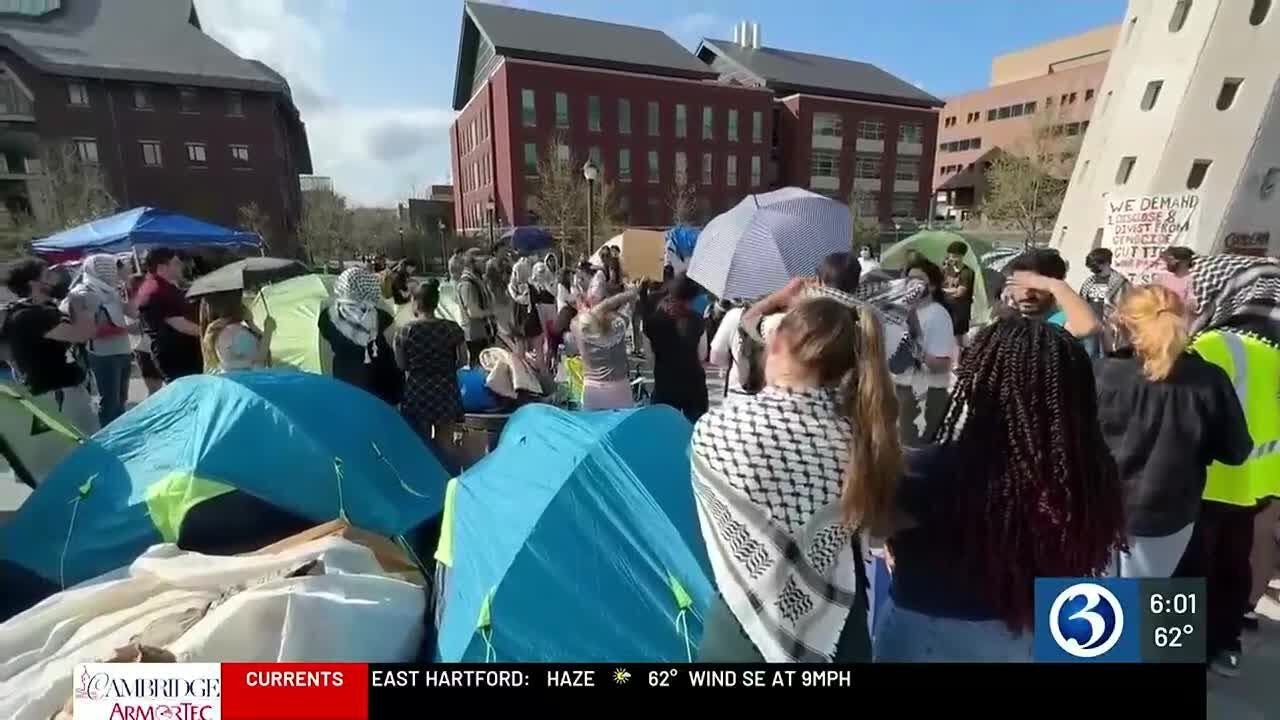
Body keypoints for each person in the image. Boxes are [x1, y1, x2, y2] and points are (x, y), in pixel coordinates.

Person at [875, 317, 1126, 662]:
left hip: (932, 633)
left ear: (979, 382)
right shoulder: (1088, 474)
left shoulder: (928, 470)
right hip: (1033, 633)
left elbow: (880, 533)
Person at [692, 292, 902, 661]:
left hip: (741, 631)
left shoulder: (717, 430)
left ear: (775, 342)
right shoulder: (863, 437)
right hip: (837, 631)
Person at [1095, 286, 1251, 579]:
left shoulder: (1100, 373)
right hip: (1167, 511)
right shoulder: (1208, 379)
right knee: (1146, 606)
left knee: (1081, 611)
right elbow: (1235, 451)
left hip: (1096, 509)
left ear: (1122, 322)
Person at [1183, 317, 1279, 676]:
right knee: (1235, 563)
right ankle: (1226, 644)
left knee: (1193, 569)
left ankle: (1185, 649)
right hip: (1257, 479)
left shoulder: (1206, 346)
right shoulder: (1270, 352)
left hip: (1208, 478)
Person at [1, 257, 99, 434]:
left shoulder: (22, 312)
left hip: (52, 391)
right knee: (86, 441)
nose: (55, 279)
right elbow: (83, 334)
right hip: (58, 393)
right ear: (34, 284)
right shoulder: (33, 316)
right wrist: (82, 306)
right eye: (48, 275)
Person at [395, 279, 465, 471]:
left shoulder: (404, 331)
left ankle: (427, 478)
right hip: (446, 388)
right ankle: (451, 479)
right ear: (436, 302)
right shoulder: (452, 329)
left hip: (418, 390)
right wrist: (446, 368)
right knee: (446, 441)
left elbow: (401, 365)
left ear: (416, 303)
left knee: (421, 442)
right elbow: (463, 360)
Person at [65, 254, 135, 425]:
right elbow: (89, 331)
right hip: (104, 356)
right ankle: (109, 440)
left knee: (121, 399)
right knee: (109, 403)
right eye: (108, 267)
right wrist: (125, 330)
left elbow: (132, 312)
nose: (112, 271)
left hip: (123, 350)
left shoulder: (112, 290)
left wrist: (129, 286)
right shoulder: (84, 293)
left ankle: (119, 435)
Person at [318, 267, 402, 406]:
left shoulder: (326, 318)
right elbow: (393, 349)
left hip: (345, 381)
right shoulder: (382, 316)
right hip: (380, 385)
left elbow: (326, 351)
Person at [894, 258, 956, 447]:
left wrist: (914, 347)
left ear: (934, 286)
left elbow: (942, 365)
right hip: (903, 392)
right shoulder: (904, 312)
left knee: (914, 456)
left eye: (919, 280)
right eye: (909, 279)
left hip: (925, 398)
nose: (912, 285)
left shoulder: (937, 315)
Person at [641, 273, 708, 423]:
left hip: (665, 383)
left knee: (664, 431)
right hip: (694, 384)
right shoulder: (697, 320)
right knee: (694, 432)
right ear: (693, 297)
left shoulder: (652, 322)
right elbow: (702, 354)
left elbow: (649, 357)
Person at [136, 248, 202, 382]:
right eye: (176, 263)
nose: (181, 267)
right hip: (176, 356)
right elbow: (180, 325)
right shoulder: (157, 290)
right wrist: (211, 332)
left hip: (181, 353)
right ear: (162, 267)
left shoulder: (163, 286)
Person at [1003, 249, 1100, 339]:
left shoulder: (1060, 321)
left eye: (1034, 286)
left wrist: (1055, 284)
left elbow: (1087, 327)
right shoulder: (1006, 322)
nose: (1026, 293)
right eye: (1019, 285)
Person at [572, 283, 639, 411]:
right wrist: (631, 293)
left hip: (592, 392)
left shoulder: (577, 325)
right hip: (619, 389)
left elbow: (591, 315)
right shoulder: (619, 323)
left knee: (593, 430)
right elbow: (630, 307)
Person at [198, 291, 275, 373]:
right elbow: (259, 363)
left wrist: (251, 324)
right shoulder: (236, 333)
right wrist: (268, 331)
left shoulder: (220, 329)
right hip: (247, 382)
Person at [1079, 247, 1132, 357]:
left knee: (1107, 357)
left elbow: (1127, 306)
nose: (1092, 268)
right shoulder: (1089, 282)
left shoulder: (1120, 283)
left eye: (1095, 265)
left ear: (1106, 262)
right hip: (1091, 325)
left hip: (1110, 327)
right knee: (1090, 356)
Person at [126, 274, 163, 396]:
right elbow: (131, 328)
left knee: (163, 387)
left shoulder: (152, 300)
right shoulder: (130, 304)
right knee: (154, 389)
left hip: (156, 347)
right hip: (143, 349)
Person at [455, 250, 493, 365]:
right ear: (473, 263)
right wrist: (492, 312)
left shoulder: (476, 280)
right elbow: (473, 312)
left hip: (481, 332)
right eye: (483, 261)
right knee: (477, 366)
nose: (485, 265)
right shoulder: (467, 284)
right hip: (474, 334)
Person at [941, 241, 975, 344]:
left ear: (961, 256)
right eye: (950, 256)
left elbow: (960, 292)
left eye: (955, 256)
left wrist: (942, 290)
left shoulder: (967, 272)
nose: (952, 259)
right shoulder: (946, 270)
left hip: (960, 311)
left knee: (957, 339)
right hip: (947, 309)